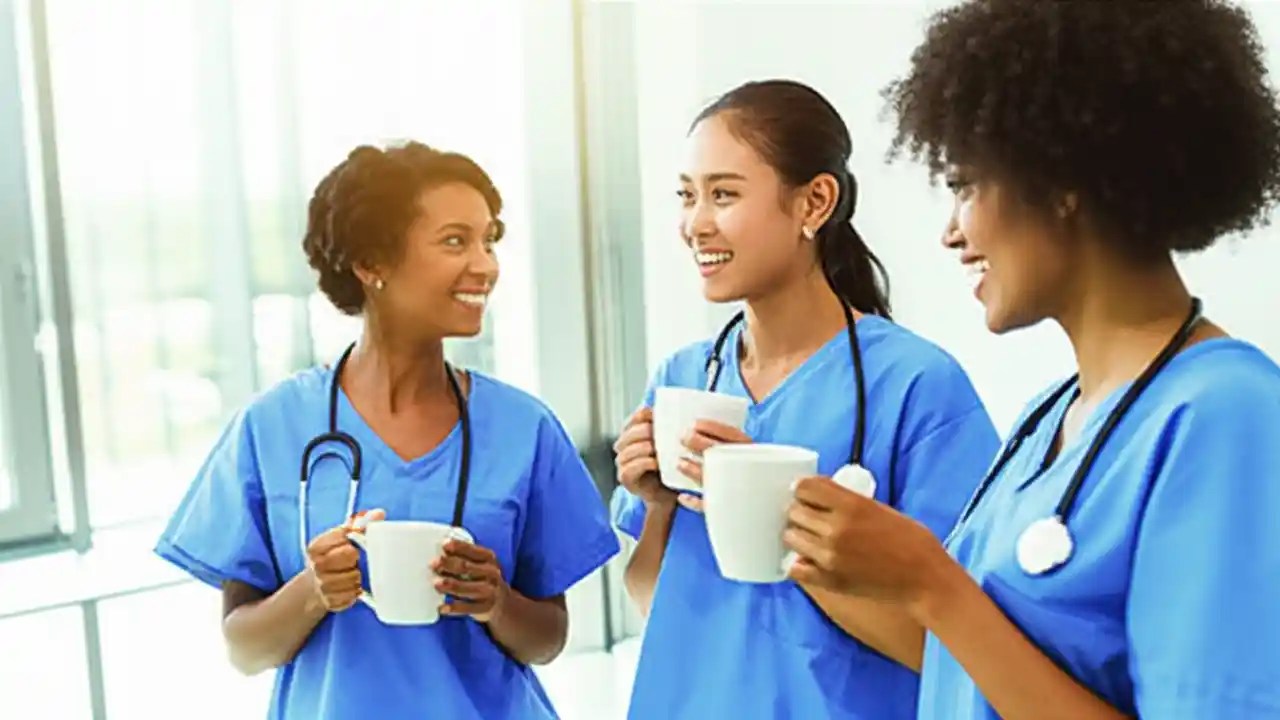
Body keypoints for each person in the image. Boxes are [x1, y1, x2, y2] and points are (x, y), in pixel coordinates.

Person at [784, 2, 1280, 719]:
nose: (950, 234)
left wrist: (931, 582)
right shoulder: (1049, 416)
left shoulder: (1228, 414)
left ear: (1065, 178)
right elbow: (970, 664)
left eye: (963, 186)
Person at [154, 141, 620, 720]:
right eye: (456, 241)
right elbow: (245, 650)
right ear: (372, 263)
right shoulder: (272, 428)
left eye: (489, 239)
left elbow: (547, 638)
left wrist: (496, 602)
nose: (486, 264)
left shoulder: (523, 429)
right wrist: (314, 589)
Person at [610, 79, 1001, 719]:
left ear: (815, 202)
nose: (694, 223)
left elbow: (952, 648)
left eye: (724, 194)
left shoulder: (914, 386)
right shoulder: (686, 377)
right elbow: (657, 598)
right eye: (687, 196)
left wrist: (772, 519)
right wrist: (655, 507)